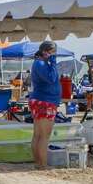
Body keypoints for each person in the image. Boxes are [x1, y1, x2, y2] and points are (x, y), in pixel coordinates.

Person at [28, 41, 61, 170]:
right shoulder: (41, 63)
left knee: (37, 134)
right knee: (44, 136)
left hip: (41, 100)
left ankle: (38, 163)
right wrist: (53, 62)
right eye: (53, 52)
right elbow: (51, 78)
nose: (54, 55)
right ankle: (43, 164)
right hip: (45, 101)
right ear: (45, 51)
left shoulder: (39, 63)